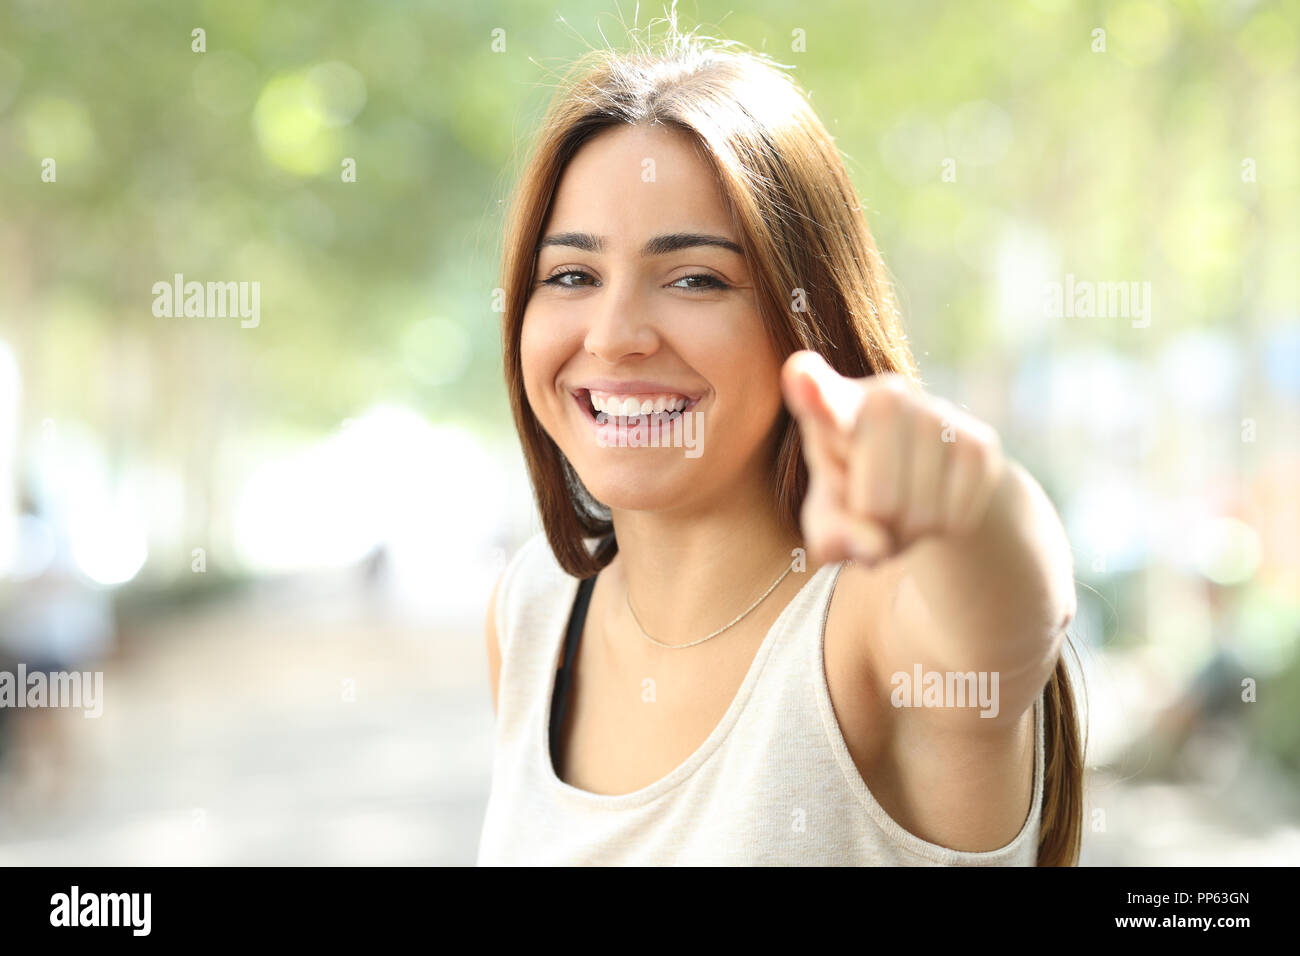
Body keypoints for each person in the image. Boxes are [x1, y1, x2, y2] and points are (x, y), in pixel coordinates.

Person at [478, 26, 1082, 866]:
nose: (614, 337)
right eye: (572, 276)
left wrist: (970, 497)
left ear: (809, 317)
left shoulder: (872, 623)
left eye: (696, 278)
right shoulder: (534, 612)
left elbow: (1018, 617)